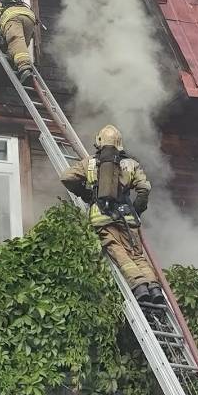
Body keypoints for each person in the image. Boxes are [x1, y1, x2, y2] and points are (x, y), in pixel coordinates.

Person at [61, 125, 164, 305]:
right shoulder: (131, 164)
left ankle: (139, 286)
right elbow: (144, 189)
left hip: (102, 217)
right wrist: (137, 210)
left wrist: (85, 193)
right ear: (119, 143)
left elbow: (66, 178)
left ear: (99, 141)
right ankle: (154, 288)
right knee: (136, 254)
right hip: (128, 218)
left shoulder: (89, 163)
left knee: (117, 250)